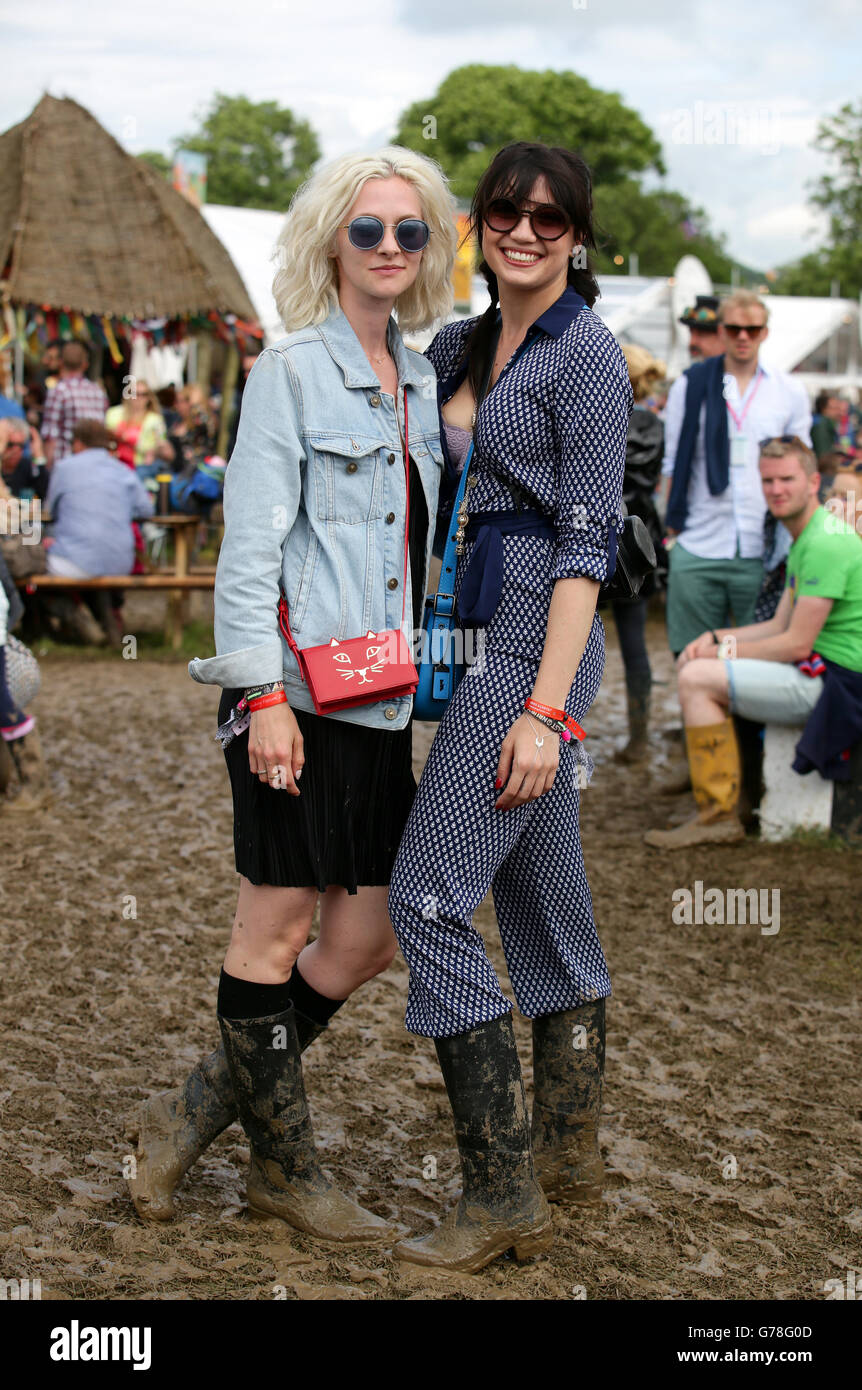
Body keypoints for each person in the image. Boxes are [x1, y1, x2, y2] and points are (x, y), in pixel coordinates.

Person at [125, 147, 457, 1237]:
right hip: (295, 700)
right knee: (270, 933)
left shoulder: (419, 376)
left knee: (364, 940)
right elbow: (248, 551)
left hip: (383, 700)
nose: (390, 249)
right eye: (369, 230)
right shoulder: (288, 372)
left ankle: (194, 1114)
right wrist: (258, 698)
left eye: (409, 231)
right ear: (331, 240)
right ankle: (287, 1170)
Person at [387, 141, 631, 1272]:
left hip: (534, 645)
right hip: (467, 627)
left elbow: (588, 544)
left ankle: (499, 1193)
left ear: (577, 235)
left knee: (428, 899)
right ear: (477, 223)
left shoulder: (587, 358)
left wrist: (546, 711)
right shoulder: (463, 341)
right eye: (504, 212)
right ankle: (570, 1158)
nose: (524, 230)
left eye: (548, 217)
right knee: (542, 901)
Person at [645, 436, 862, 849]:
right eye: (767, 481)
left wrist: (721, 652)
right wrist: (714, 637)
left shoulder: (825, 542)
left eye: (786, 479)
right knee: (695, 661)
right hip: (824, 670)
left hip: (840, 685)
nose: (776, 490)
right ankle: (731, 799)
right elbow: (779, 623)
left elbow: (796, 644)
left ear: (813, 481)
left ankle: (717, 815)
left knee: (697, 679)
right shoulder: (810, 534)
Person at [662, 290, 812, 658]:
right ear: (723, 331)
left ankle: (745, 720)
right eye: (734, 328)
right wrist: (672, 537)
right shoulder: (690, 384)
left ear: (764, 333)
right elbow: (671, 463)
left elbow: (802, 470)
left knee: (757, 659)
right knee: (691, 656)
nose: (743, 336)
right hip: (699, 541)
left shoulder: (788, 390)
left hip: (766, 548)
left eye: (753, 329)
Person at [610, 344, 666, 762]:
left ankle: (551, 731)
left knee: (563, 638)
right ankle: (640, 736)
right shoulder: (652, 424)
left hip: (603, 534)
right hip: (640, 539)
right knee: (634, 643)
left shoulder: (601, 417)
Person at [41, 341, 108, 466]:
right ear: (85, 364)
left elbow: (51, 436)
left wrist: (47, 470)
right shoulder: (98, 391)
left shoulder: (58, 391)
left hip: (66, 462)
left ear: (60, 362)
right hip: (95, 464)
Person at [105, 384, 167, 481]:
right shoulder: (114, 414)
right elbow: (104, 437)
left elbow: (161, 444)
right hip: (115, 463)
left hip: (140, 466)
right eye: (135, 393)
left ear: (149, 398)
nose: (139, 398)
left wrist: (129, 440)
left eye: (143, 394)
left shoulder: (155, 420)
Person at [678, 293, 723, 361]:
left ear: (723, 336)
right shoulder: (690, 371)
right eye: (691, 333)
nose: (692, 342)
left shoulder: (734, 371)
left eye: (701, 335)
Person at [811, 391, 844, 460]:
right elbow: (823, 456)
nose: (839, 412)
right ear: (824, 409)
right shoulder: (821, 425)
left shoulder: (822, 422)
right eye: (834, 408)